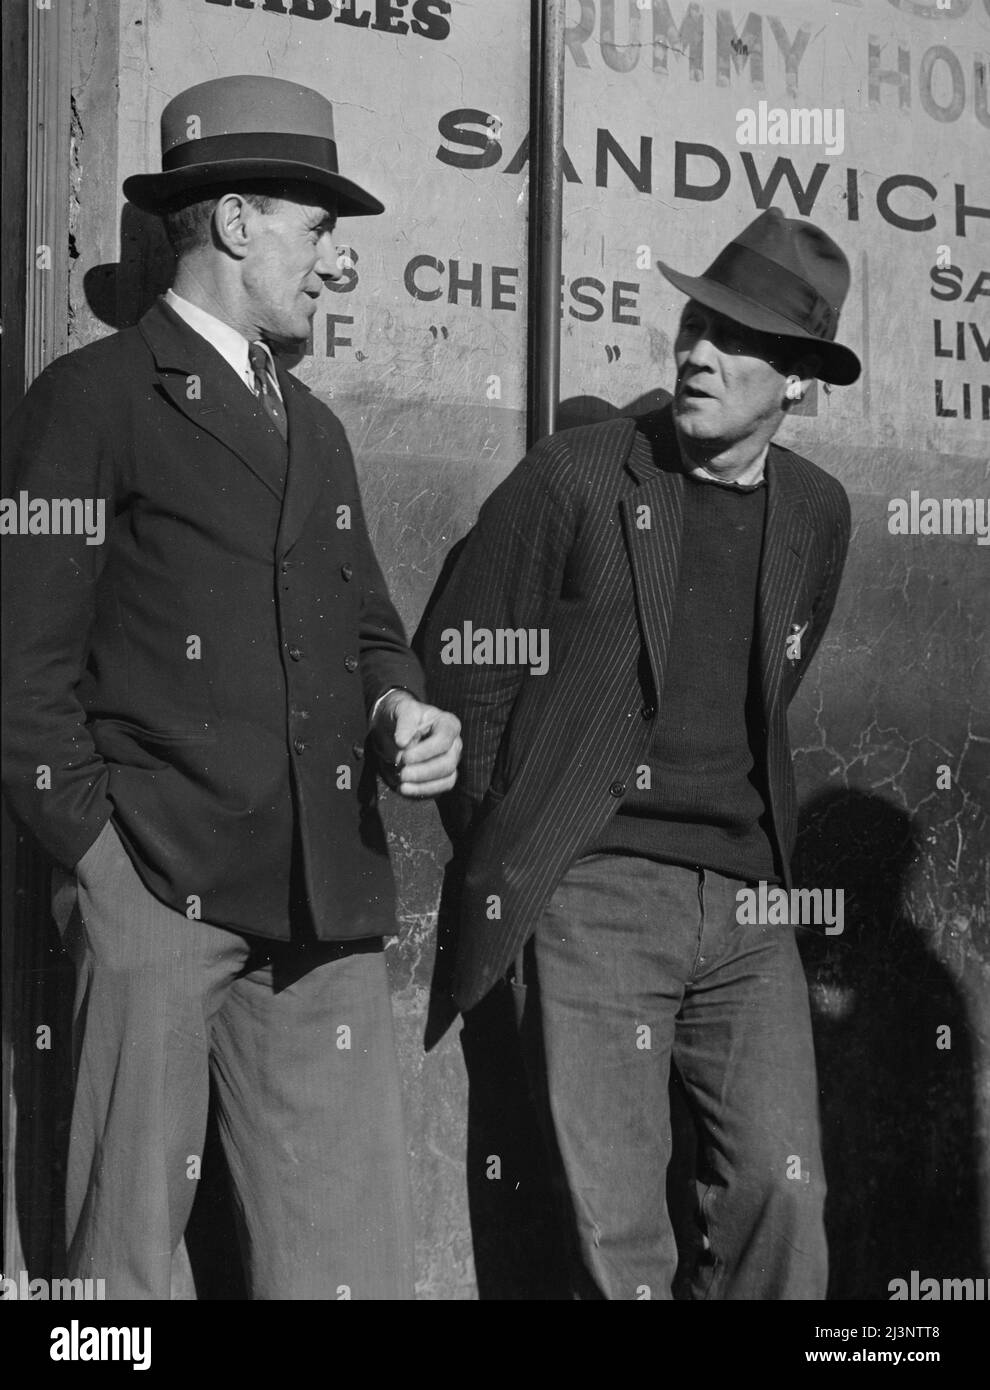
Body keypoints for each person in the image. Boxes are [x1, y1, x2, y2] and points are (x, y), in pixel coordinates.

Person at [2, 74, 461, 1300]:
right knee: (121, 1269)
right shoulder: (90, 401)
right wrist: (102, 869)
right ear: (238, 221)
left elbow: (371, 629)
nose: (330, 261)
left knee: (347, 1266)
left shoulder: (317, 427)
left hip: (324, 909)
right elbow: (20, 670)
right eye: (316, 229)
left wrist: (398, 705)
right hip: (154, 885)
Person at [421, 208, 858, 1300]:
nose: (701, 351)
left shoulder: (817, 511)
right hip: (597, 891)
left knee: (783, 1195)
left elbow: (773, 678)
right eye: (697, 322)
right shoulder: (576, 478)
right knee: (612, 1236)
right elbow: (463, 669)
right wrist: (537, 840)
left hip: (750, 906)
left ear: (799, 380)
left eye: (741, 339)